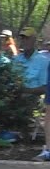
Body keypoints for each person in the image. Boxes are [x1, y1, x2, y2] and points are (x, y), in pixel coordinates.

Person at [13, 28, 50, 161]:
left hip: (34, 98)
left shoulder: (43, 61)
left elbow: (45, 87)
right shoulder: (16, 60)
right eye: (22, 38)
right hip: (15, 96)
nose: (24, 41)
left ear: (34, 40)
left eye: (27, 38)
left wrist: (25, 91)